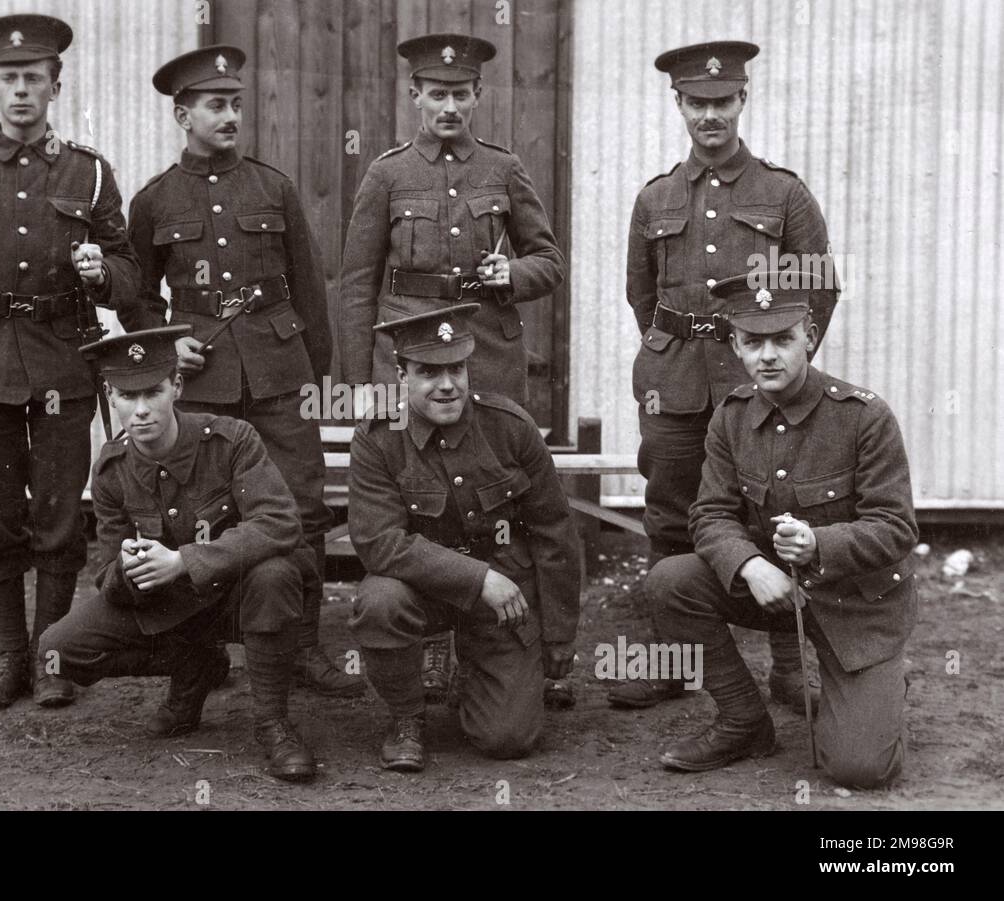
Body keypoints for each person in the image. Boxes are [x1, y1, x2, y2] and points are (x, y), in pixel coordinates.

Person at [0, 13, 139, 709]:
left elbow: (128, 268)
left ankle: (51, 660)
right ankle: (9, 659)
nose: (20, 91)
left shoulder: (89, 172)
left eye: (33, 79)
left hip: (64, 362)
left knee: (60, 521)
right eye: (8, 79)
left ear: (55, 86)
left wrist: (103, 277)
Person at [124, 45, 361, 698]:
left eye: (234, 104)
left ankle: (304, 645)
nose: (230, 116)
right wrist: (170, 349)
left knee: (304, 509)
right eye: (215, 105)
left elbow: (311, 288)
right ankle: (206, 651)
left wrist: (316, 374)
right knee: (205, 519)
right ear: (182, 114)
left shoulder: (272, 186)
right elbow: (138, 296)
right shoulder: (153, 201)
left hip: (280, 376)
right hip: (205, 384)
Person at [340, 33, 566, 707]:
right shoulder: (386, 174)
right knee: (423, 495)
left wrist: (512, 273)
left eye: (459, 94)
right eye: (434, 94)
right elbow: (356, 282)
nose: (447, 105)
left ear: (477, 97)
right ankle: (433, 645)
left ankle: (515, 641)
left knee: (498, 495)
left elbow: (549, 262)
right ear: (414, 97)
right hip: (409, 359)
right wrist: (361, 385)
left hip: (486, 358)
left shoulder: (504, 169)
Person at [615, 40, 838, 712]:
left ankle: (788, 663)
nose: (710, 114)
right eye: (697, 103)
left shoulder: (783, 192)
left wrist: (785, 363)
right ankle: (674, 659)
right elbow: (640, 292)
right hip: (675, 378)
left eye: (722, 101)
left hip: (761, 381)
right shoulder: (655, 198)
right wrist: (671, 349)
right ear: (678, 104)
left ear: (742, 100)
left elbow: (818, 286)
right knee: (670, 514)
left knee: (775, 506)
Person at [647, 271, 916, 789]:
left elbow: (896, 527)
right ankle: (744, 721)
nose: (768, 355)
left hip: (855, 606)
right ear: (736, 347)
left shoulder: (864, 416)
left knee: (860, 770)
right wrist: (748, 565)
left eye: (783, 340)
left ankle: (878, 683)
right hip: (778, 592)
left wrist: (821, 543)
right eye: (753, 342)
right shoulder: (731, 417)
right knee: (671, 581)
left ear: (809, 340)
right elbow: (710, 514)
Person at [38, 324, 319, 782]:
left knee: (276, 575)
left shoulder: (231, 441)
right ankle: (197, 663)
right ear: (109, 395)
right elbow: (107, 573)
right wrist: (130, 570)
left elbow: (279, 523)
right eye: (127, 396)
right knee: (57, 650)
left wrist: (183, 561)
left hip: (235, 595)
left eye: (153, 391)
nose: (142, 410)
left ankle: (273, 724)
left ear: (178, 387)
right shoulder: (111, 469)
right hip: (170, 605)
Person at [346, 304, 580, 772]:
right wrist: (477, 578)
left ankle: (474, 673)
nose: (448, 384)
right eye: (429, 371)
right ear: (402, 374)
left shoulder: (510, 427)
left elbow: (554, 532)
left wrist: (557, 636)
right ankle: (406, 718)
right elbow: (380, 543)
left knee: (507, 739)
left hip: (505, 597)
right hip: (427, 590)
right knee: (379, 601)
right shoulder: (377, 439)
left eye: (456, 368)